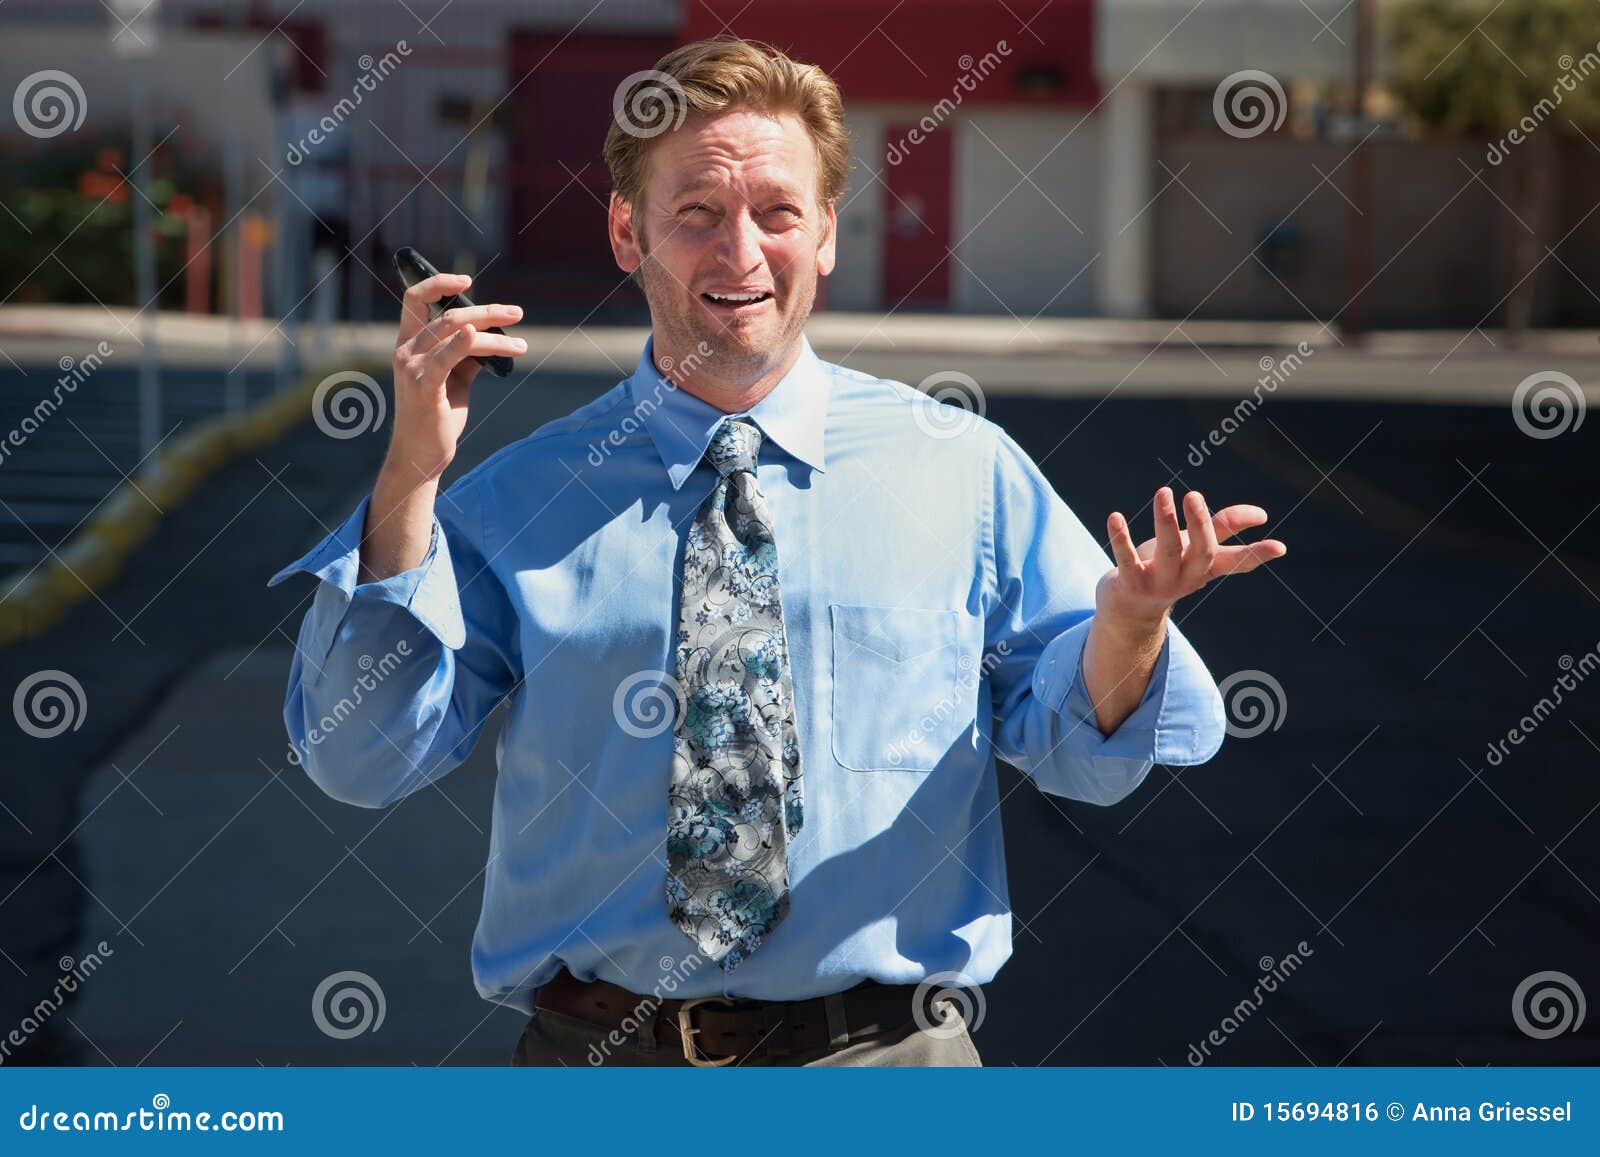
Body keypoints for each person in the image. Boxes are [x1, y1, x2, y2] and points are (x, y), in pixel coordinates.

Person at [268, 36, 1286, 1068]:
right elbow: (363, 759)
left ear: (827, 231)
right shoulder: (519, 499)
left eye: (778, 212)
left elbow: (1084, 754)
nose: (741, 251)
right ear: (626, 230)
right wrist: (410, 473)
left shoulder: (962, 471)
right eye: (697, 212)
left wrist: (1130, 626)